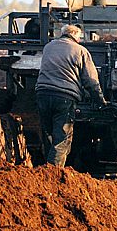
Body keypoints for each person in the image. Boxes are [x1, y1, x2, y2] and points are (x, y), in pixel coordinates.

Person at [35, 24, 106, 166]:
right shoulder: (80, 51)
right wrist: (101, 102)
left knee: (48, 134)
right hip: (64, 97)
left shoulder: (48, 47)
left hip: (42, 93)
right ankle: (53, 173)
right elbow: (91, 81)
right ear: (76, 37)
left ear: (62, 34)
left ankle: (45, 171)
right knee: (62, 137)